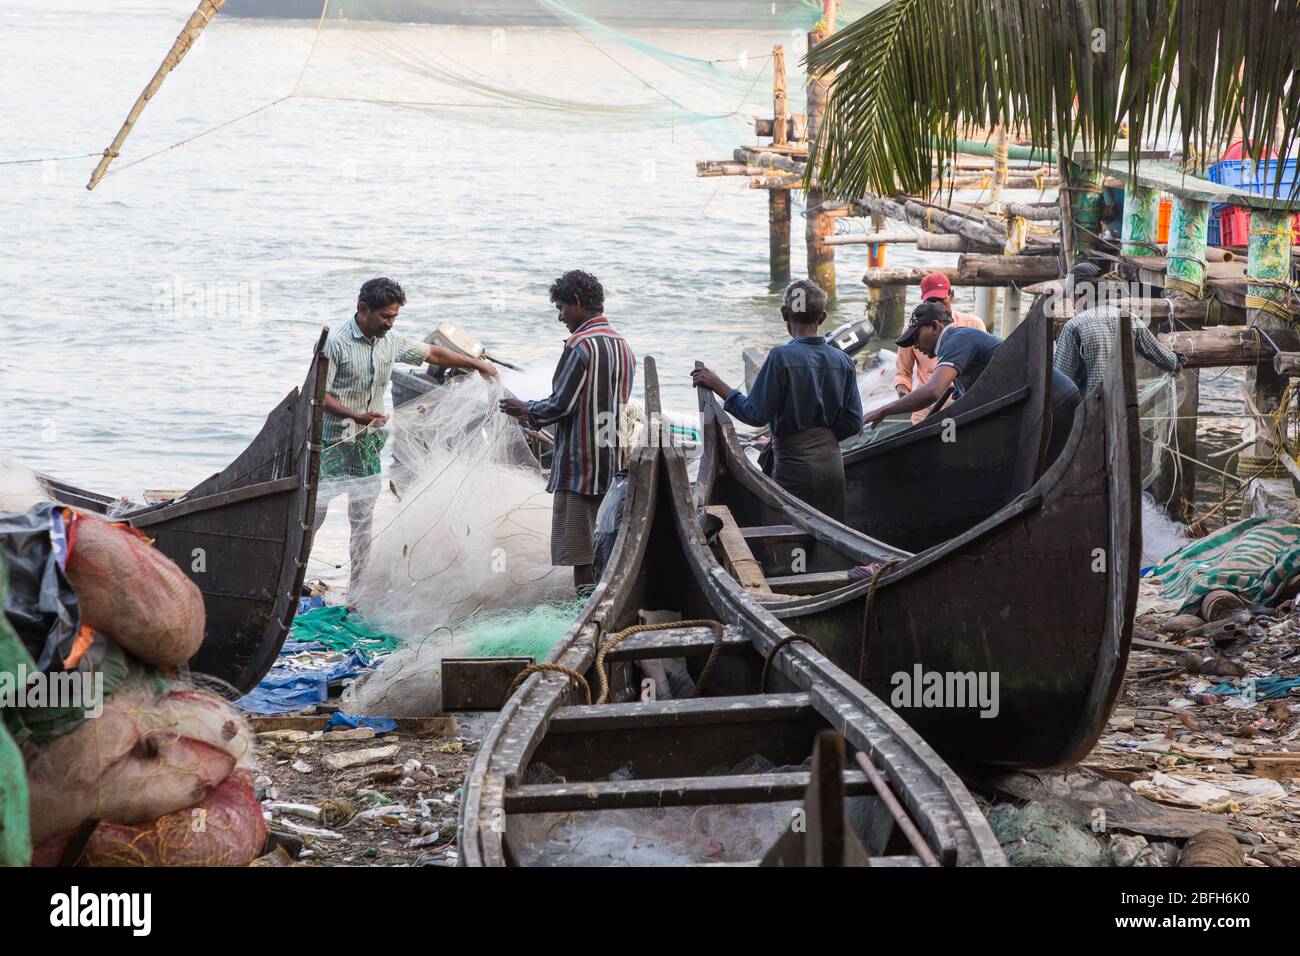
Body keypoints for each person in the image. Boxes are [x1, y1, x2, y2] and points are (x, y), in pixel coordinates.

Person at [316, 277, 497, 583]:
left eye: (394, 317)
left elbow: (433, 354)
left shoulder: (390, 341)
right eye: (385, 316)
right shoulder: (335, 342)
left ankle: (358, 592)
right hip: (331, 443)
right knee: (313, 518)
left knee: (362, 521)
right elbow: (319, 395)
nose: (390, 323)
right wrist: (355, 415)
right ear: (363, 309)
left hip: (367, 444)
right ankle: (291, 582)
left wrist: (476, 365)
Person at [499, 270, 635, 592]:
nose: (560, 317)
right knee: (606, 544)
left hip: (579, 469)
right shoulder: (623, 345)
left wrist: (526, 410)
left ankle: (584, 617)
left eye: (561, 308)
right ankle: (606, 604)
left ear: (576, 302)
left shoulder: (580, 346)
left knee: (580, 554)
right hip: (612, 463)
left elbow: (561, 405)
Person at [692, 279, 862, 522]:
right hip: (832, 467)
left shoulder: (781, 357)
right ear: (822, 317)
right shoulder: (843, 361)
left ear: (785, 314)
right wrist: (822, 438)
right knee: (830, 530)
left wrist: (718, 384)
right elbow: (854, 422)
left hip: (795, 466)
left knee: (789, 528)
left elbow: (754, 414)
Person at [863, 300, 1081, 465]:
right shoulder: (954, 349)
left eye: (916, 337)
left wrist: (885, 410)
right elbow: (963, 402)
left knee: (1042, 469)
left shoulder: (957, 340)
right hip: (1042, 403)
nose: (914, 346)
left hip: (1055, 400)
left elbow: (932, 391)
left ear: (936, 326)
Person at [1054, 262, 1187, 396]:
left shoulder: (1074, 326)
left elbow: (1059, 383)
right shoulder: (1129, 318)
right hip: (1123, 407)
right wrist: (1176, 361)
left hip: (1090, 409)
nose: (1070, 300)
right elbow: (1169, 360)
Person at [894, 272, 985, 423]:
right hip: (925, 414)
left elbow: (983, 373)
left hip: (964, 411)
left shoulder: (973, 325)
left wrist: (885, 410)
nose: (937, 306)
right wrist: (905, 397)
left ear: (952, 295)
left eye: (941, 300)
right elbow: (903, 374)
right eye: (931, 301)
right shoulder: (912, 333)